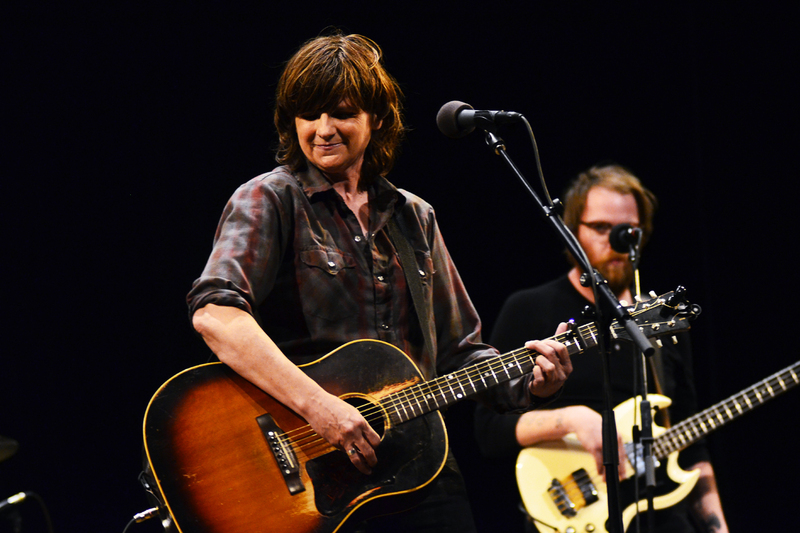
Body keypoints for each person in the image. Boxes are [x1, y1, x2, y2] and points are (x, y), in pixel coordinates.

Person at [186, 32, 571, 533]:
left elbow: (459, 351)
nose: (323, 129)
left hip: (420, 469)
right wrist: (321, 409)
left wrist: (531, 379)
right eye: (309, 114)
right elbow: (215, 315)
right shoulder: (269, 199)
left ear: (378, 119)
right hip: (314, 475)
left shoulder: (414, 217)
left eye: (342, 113)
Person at [473, 164, 728, 532]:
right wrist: (576, 419)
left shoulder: (659, 318)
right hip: (575, 513)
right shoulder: (529, 308)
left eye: (628, 231)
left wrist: (717, 527)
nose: (616, 242)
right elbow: (488, 430)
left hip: (663, 515)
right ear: (573, 231)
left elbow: (690, 439)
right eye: (600, 228)